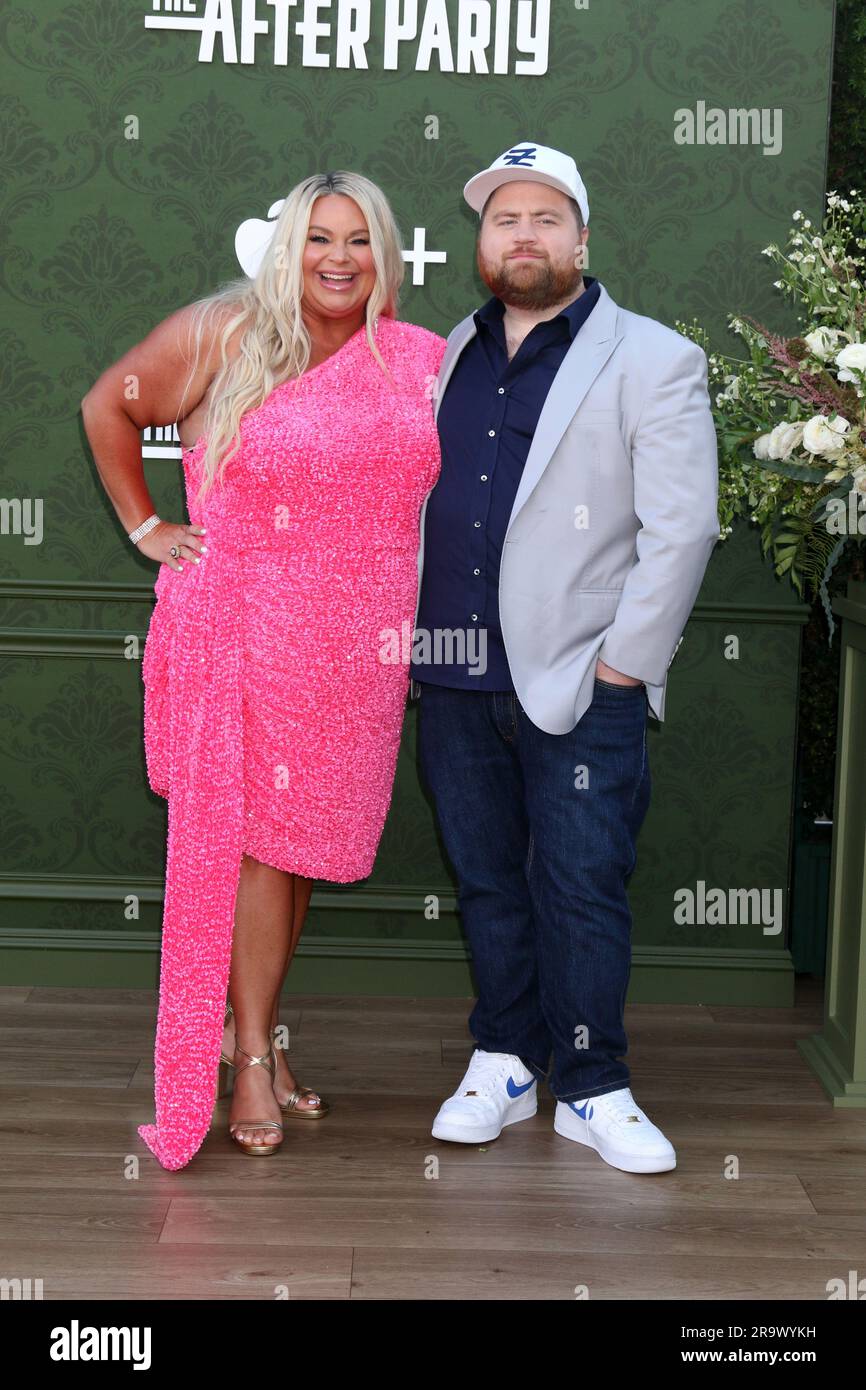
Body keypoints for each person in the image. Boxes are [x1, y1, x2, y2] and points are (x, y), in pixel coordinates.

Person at [81, 172, 446, 1168]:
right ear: (288, 248)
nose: (338, 259)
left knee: (300, 847)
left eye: (359, 240)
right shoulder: (223, 332)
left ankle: (267, 1034)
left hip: (358, 649)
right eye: (319, 238)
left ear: (386, 255)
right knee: (253, 847)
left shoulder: (417, 358)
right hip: (239, 628)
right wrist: (148, 524)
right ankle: (246, 1058)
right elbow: (107, 406)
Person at [410, 142, 720, 1174]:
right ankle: (503, 1059)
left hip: (583, 674)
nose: (524, 235)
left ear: (580, 236)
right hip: (452, 673)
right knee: (489, 881)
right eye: (504, 220)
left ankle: (591, 1086)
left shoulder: (652, 357)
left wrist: (623, 666)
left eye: (545, 217)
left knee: (581, 883)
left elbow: (680, 530)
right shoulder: (447, 350)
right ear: (481, 244)